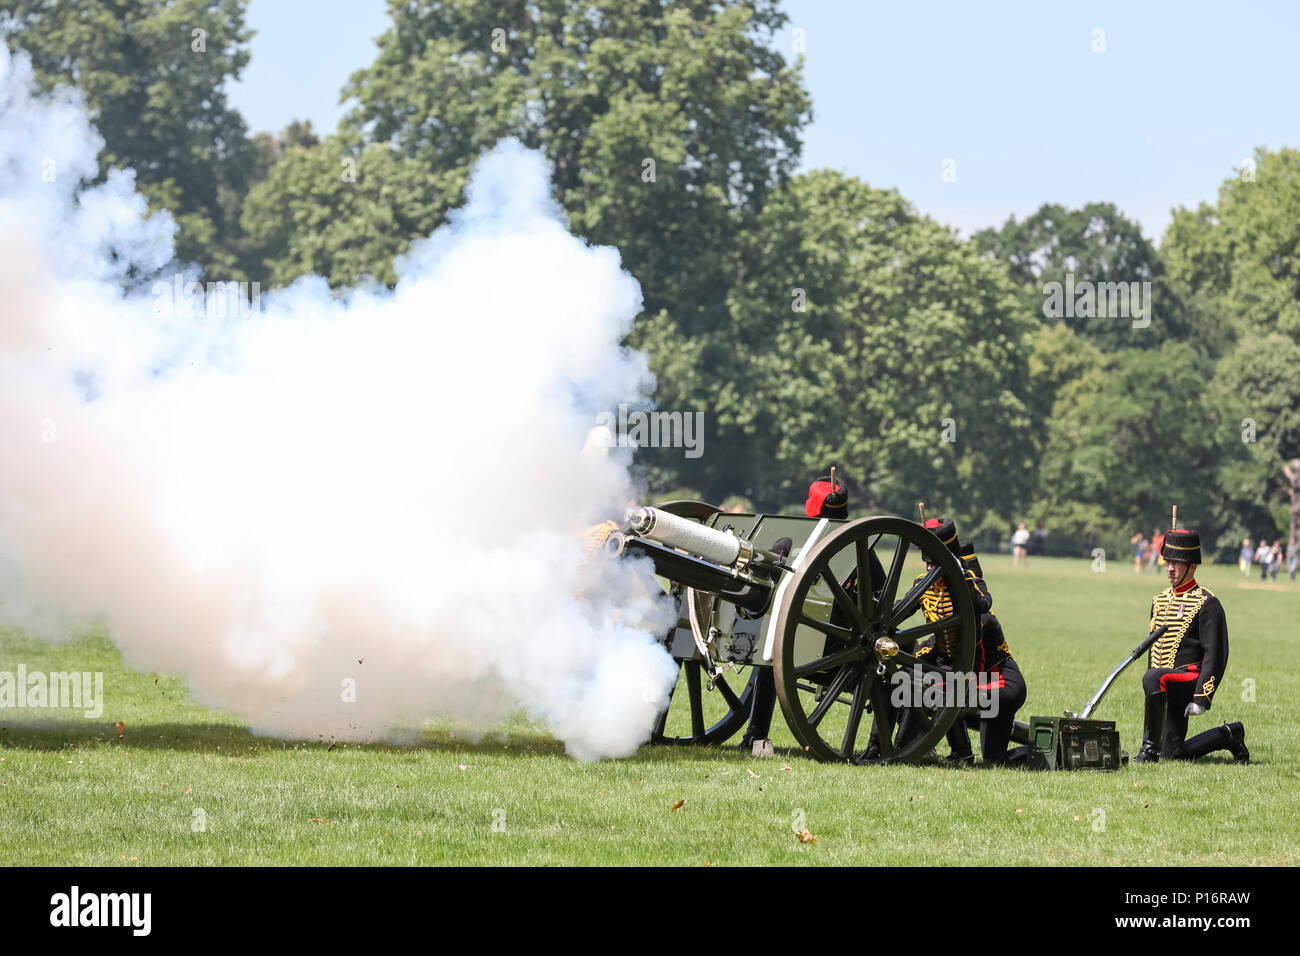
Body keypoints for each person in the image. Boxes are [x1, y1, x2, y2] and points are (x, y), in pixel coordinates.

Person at [738, 473, 848, 752]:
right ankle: (754, 736)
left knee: (769, 661)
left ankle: (755, 735)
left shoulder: (789, 541)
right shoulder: (857, 545)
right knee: (770, 658)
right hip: (835, 637)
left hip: (819, 641)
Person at [908, 518, 1027, 765]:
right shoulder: (939, 607)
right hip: (971, 681)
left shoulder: (980, 617)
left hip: (1001, 685)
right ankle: (959, 751)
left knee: (995, 761)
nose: (930, 571)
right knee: (923, 682)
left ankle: (967, 752)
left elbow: (965, 662)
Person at [1132, 528, 1248, 764]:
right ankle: (1230, 735)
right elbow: (1155, 651)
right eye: (1168, 562)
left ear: (1192, 567)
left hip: (1189, 680)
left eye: (1177, 563)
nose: (1170, 568)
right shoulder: (1159, 600)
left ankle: (1148, 751)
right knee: (1174, 754)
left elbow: (1215, 654)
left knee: (1153, 677)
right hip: (1164, 684)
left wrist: (1202, 696)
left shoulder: (1207, 603)